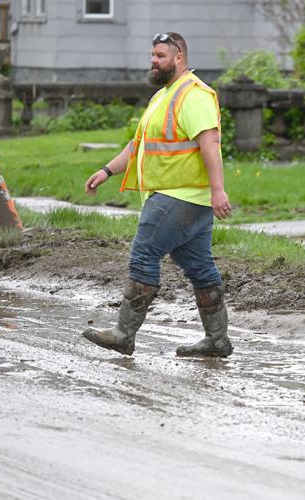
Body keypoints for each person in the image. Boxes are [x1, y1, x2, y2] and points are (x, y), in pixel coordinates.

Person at [81, 32, 234, 358]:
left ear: (179, 58)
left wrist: (219, 190)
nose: (154, 61)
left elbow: (210, 145)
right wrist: (107, 171)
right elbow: (139, 146)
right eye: (152, 55)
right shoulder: (164, 96)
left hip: (177, 197)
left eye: (160, 56)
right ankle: (217, 340)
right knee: (199, 266)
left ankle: (124, 334)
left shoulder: (192, 95)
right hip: (186, 199)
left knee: (144, 255)